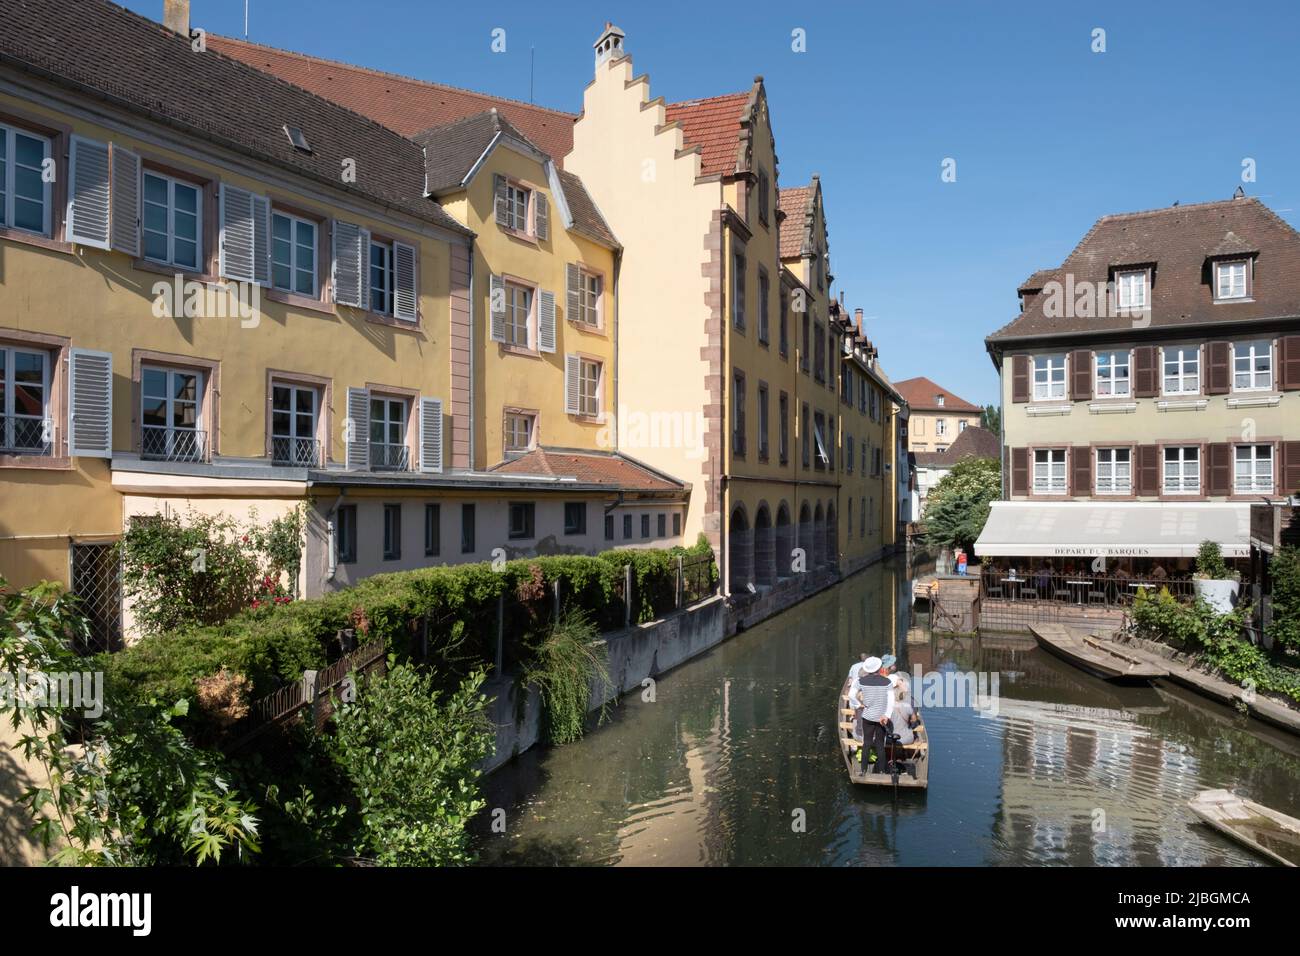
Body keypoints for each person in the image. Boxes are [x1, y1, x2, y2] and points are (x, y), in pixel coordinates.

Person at [854, 657, 894, 773]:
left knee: (866, 743)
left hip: (867, 717)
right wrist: (886, 715)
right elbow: (891, 701)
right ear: (879, 668)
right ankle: (882, 771)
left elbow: (852, 695)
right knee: (880, 744)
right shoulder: (887, 682)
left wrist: (859, 704)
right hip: (881, 718)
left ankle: (863, 770)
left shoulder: (860, 681)